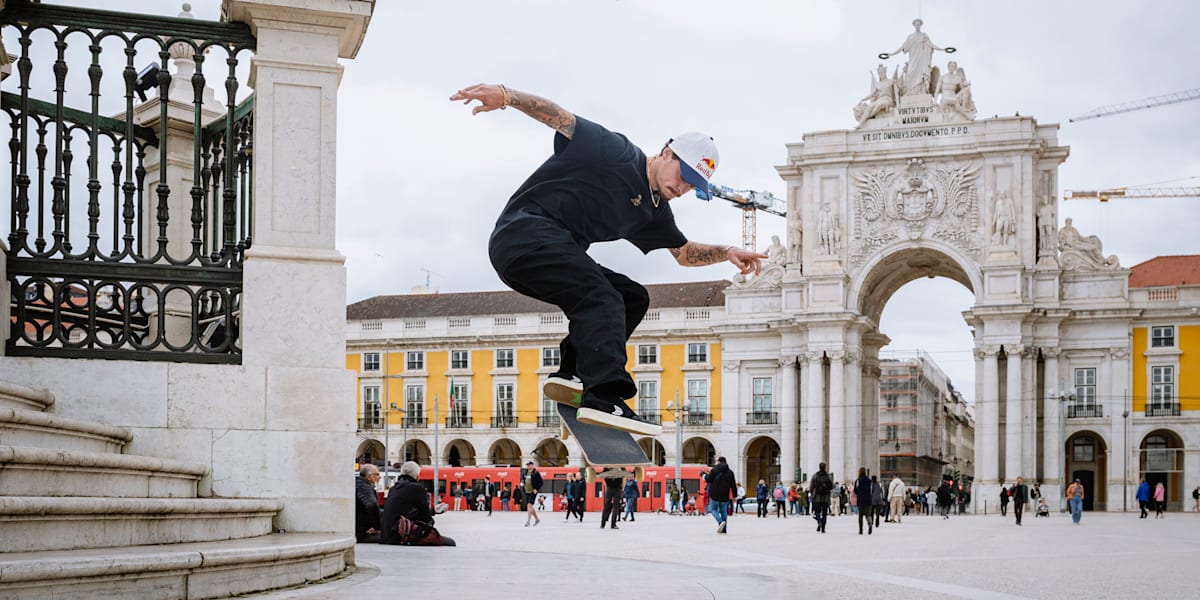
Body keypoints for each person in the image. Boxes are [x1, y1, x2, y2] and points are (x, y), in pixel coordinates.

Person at [451, 83, 765, 436]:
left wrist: (726, 252)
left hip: (544, 255)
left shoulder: (654, 211)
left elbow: (684, 254)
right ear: (666, 153)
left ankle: (573, 373)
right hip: (523, 235)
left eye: (694, 187)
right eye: (684, 177)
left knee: (632, 297)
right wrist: (507, 97)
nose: (683, 189)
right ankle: (605, 397)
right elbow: (561, 118)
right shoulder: (616, 152)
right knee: (601, 296)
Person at [381, 461, 456, 547]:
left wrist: (433, 510)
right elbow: (426, 516)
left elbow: (405, 511)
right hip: (401, 535)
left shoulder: (393, 489)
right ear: (417, 475)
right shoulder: (417, 488)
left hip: (387, 536)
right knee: (451, 542)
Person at [885, 18, 946, 96]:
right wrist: (892, 54)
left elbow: (932, 45)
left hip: (922, 60)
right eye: (916, 24)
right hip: (913, 59)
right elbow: (902, 47)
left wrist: (943, 49)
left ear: (921, 25)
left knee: (922, 76)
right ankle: (911, 93)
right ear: (914, 25)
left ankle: (922, 92)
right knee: (910, 74)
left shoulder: (924, 35)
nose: (917, 25)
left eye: (919, 24)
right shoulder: (910, 37)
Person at [705, 456, 736, 534]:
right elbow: (733, 485)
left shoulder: (714, 470)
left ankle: (720, 521)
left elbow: (709, 479)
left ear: (718, 462)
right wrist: (734, 496)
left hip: (714, 493)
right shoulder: (730, 472)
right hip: (725, 494)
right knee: (723, 512)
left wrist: (705, 475)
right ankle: (724, 529)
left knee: (713, 510)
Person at [355, 464, 382, 543]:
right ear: (369, 476)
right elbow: (372, 505)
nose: (379, 477)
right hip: (364, 532)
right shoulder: (364, 487)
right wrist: (377, 527)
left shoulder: (358, 484)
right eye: (377, 474)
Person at [810, 463, 833, 534]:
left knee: (817, 511)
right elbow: (832, 486)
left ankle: (819, 521)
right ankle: (823, 528)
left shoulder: (815, 476)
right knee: (824, 513)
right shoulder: (828, 476)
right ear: (825, 467)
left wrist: (812, 493)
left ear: (819, 467)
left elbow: (811, 486)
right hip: (825, 497)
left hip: (817, 496)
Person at [853, 468, 873, 535]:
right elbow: (871, 490)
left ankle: (861, 530)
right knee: (868, 514)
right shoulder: (869, 480)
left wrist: (859, 493)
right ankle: (870, 523)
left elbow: (855, 490)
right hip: (868, 499)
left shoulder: (858, 480)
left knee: (860, 515)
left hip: (860, 499)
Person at [522, 461, 542, 527]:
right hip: (526, 491)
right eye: (527, 465)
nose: (527, 466)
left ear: (532, 465)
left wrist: (536, 489)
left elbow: (541, 482)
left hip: (532, 491)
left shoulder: (535, 473)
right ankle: (537, 519)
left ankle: (528, 521)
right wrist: (523, 487)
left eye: (529, 465)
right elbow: (523, 481)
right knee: (531, 507)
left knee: (529, 505)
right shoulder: (525, 473)